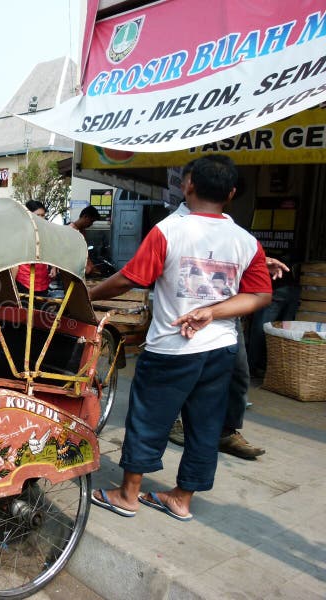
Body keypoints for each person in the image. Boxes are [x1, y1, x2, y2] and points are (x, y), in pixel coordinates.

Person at [88, 155, 271, 521]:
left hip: (171, 347)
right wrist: (215, 311)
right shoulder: (246, 241)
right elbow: (260, 296)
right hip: (219, 349)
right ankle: (181, 499)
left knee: (147, 417)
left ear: (188, 185)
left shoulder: (169, 230)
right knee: (205, 424)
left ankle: (128, 494)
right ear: (231, 193)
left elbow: (130, 278)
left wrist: (88, 294)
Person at [167, 163, 287, 460]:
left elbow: (230, 254)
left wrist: (258, 262)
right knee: (174, 379)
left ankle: (226, 431)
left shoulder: (230, 228)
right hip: (181, 318)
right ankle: (170, 425)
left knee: (237, 375)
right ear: (187, 185)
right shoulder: (172, 225)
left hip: (222, 319)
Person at [14, 201, 54, 298]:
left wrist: (53, 268)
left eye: (43, 215)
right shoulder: (21, 233)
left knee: (39, 312)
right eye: (37, 215)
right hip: (24, 282)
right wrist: (12, 286)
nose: (40, 218)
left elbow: (52, 252)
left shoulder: (46, 232)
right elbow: (15, 261)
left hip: (43, 282)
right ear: (29, 215)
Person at [69, 205, 101, 275]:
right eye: (91, 221)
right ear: (85, 216)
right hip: (72, 271)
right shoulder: (71, 230)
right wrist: (85, 267)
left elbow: (84, 251)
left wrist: (91, 265)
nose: (91, 224)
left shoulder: (82, 231)